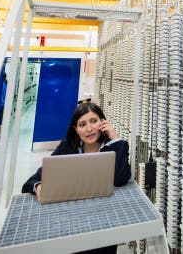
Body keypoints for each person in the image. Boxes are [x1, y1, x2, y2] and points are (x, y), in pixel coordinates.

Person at [22, 102, 131, 254]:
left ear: (102, 123)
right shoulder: (67, 148)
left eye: (94, 121)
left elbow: (120, 179)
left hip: (104, 221)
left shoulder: (111, 148)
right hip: (71, 222)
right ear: (75, 129)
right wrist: (38, 186)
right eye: (82, 124)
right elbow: (32, 181)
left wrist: (116, 139)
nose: (89, 129)